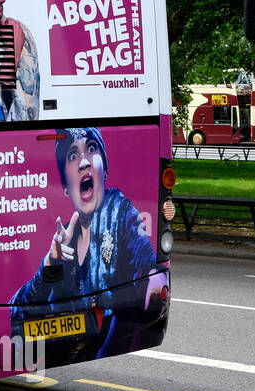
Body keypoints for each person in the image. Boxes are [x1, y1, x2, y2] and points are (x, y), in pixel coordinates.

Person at [9, 127, 156, 354]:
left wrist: (154, 279)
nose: (84, 163)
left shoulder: (120, 212)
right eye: (73, 155)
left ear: (104, 169)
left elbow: (146, 262)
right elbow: (17, 313)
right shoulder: (65, 240)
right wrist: (49, 265)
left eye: (91, 148)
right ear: (65, 187)